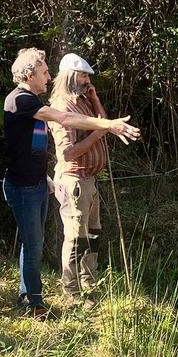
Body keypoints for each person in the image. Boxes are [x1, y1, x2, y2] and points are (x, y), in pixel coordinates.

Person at [3, 48, 140, 318]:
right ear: (29, 75)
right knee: (40, 243)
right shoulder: (22, 100)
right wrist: (106, 126)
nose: (48, 76)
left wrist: (44, 176)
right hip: (33, 185)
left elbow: (31, 148)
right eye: (44, 72)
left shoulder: (35, 102)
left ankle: (37, 295)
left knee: (50, 241)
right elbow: (65, 131)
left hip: (39, 182)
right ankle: (39, 301)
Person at [47, 53, 111, 305]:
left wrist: (95, 100)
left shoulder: (83, 100)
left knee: (92, 234)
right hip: (73, 180)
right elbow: (68, 152)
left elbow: (104, 123)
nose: (87, 80)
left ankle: (89, 284)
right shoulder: (62, 107)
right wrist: (96, 134)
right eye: (84, 75)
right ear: (71, 77)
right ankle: (71, 292)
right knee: (75, 238)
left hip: (88, 180)